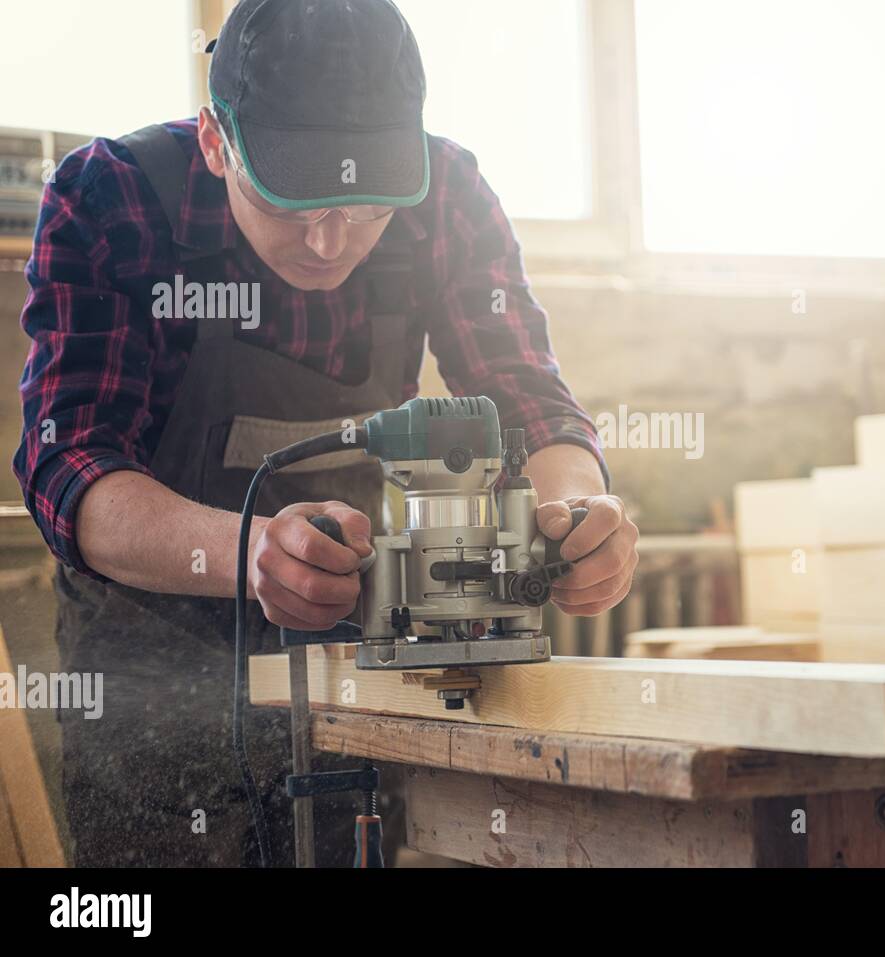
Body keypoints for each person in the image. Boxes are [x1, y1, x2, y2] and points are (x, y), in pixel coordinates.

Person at [13, 0, 637, 866]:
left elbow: (526, 397)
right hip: (153, 678)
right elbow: (71, 470)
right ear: (216, 142)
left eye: (369, 207)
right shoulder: (111, 199)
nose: (331, 239)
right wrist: (249, 551)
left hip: (353, 668)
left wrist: (576, 508)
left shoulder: (445, 193)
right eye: (292, 200)